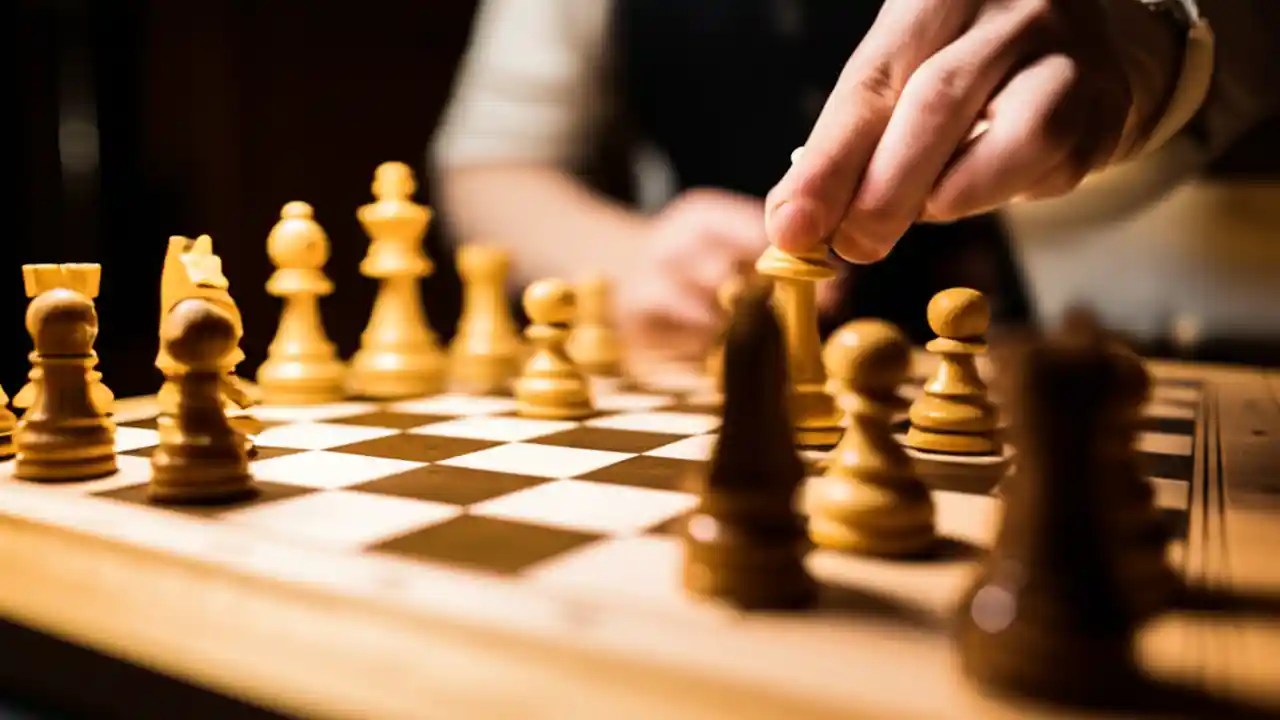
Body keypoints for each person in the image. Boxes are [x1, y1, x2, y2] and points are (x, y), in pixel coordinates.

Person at [430, 0, 1278, 362]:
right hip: (711, 385)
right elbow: (492, 161)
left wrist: (1151, 40)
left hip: (1137, 368)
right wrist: (631, 258)